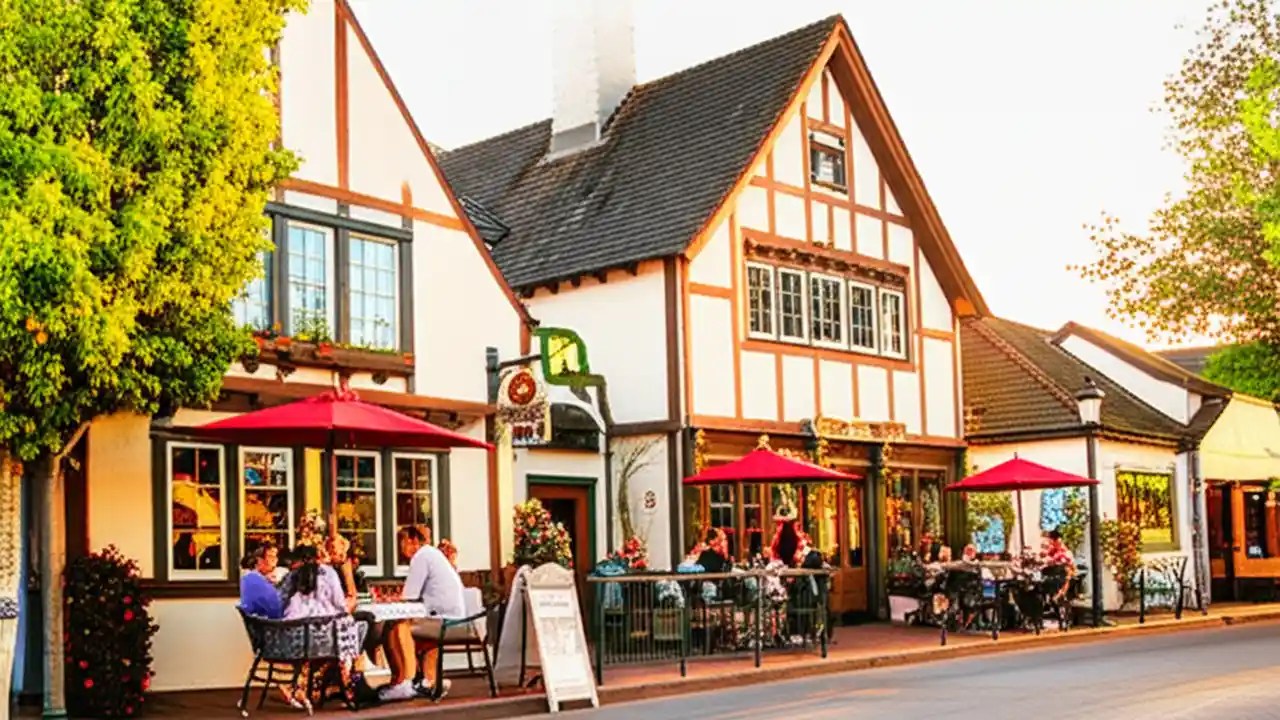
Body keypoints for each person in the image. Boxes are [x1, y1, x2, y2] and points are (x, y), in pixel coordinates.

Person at [400, 526, 466, 701]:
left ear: (413, 541)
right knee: (416, 629)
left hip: (444, 619)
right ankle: (426, 679)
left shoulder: (421, 557)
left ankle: (404, 679)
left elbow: (409, 595)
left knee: (401, 630)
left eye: (402, 542)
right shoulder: (432, 554)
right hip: (454, 615)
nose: (401, 548)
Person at [239, 542, 283, 619]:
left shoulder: (250, 577)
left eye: (275, 557)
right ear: (259, 560)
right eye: (270, 556)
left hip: (262, 623)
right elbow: (275, 609)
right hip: (271, 624)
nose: (274, 561)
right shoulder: (253, 579)